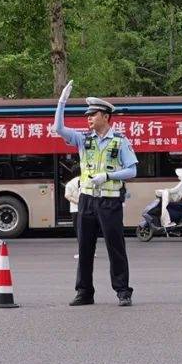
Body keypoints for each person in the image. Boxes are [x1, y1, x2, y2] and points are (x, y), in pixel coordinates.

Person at [53, 81, 137, 307]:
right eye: (87, 115)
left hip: (110, 201)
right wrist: (61, 102)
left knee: (115, 247)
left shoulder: (120, 141)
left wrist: (108, 176)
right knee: (84, 248)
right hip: (87, 200)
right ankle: (84, 292)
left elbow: (132, 170)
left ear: (106, 117)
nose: (88, 118)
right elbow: (59, 129)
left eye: (93, 114)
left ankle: (123, 291)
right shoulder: (83, 139)